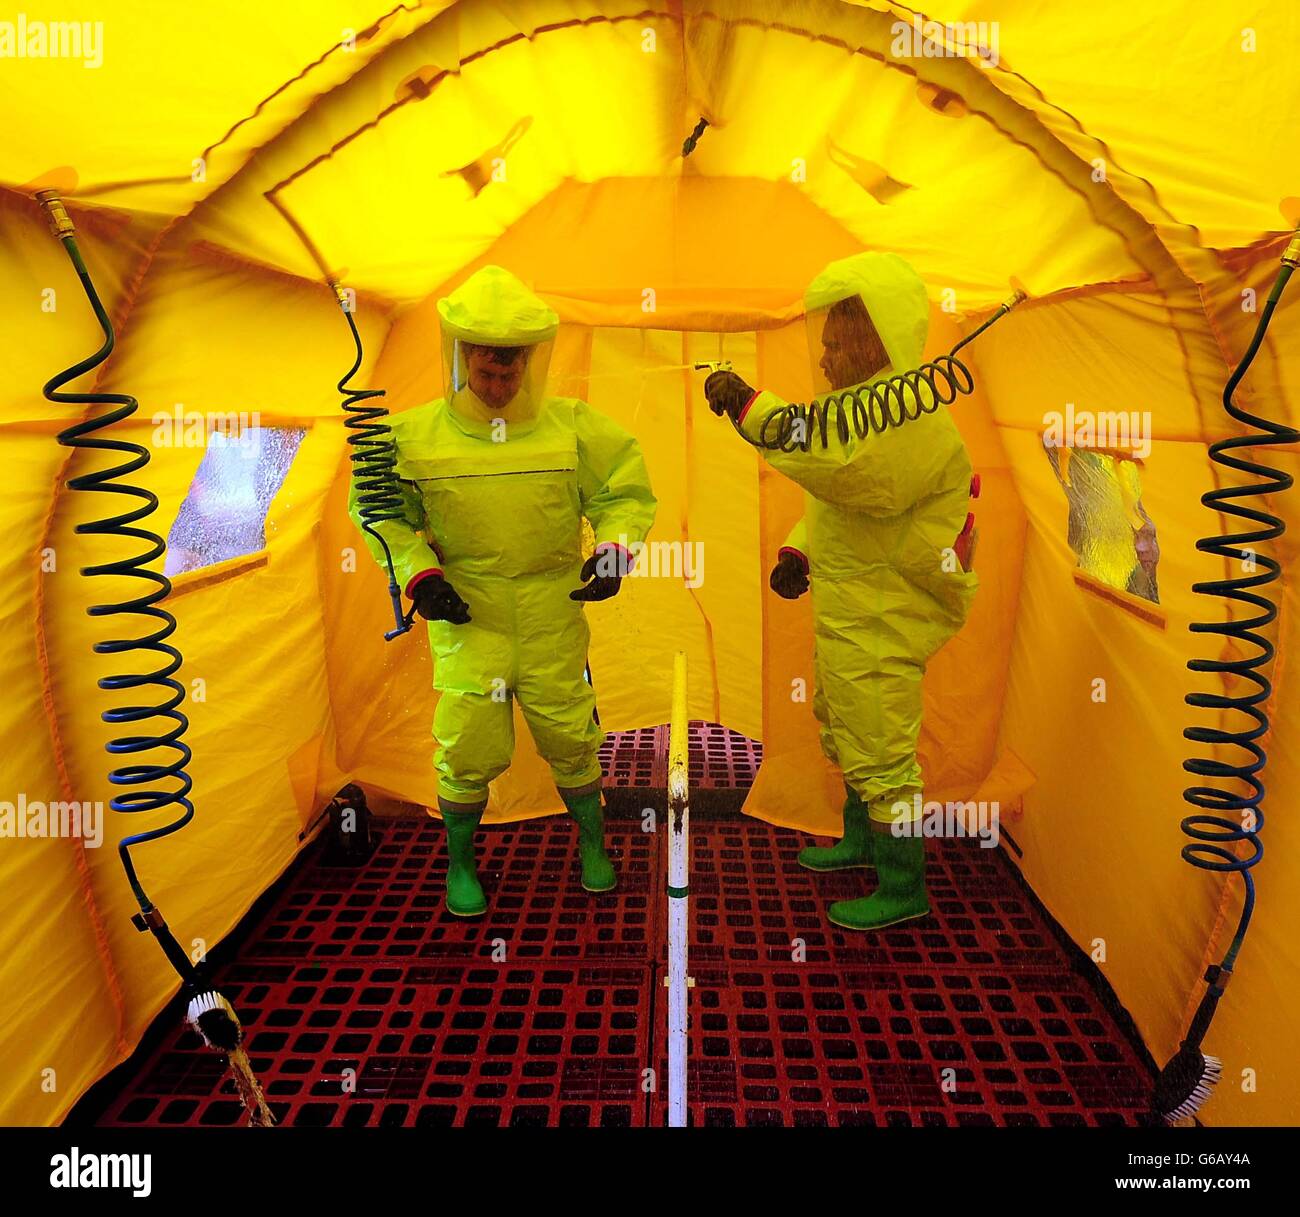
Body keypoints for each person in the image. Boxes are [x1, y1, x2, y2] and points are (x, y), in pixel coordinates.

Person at [349, 265, 656, 916]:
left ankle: (593, 847)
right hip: (469, 613)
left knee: (572, 732)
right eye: (486, 372)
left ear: (529, 363)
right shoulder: (409, 436)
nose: (498, 384)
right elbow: (380, 512)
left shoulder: (572, 427)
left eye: (509, 371)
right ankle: (461, 863)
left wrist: (612, 552)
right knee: (466, 742)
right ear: (459, 358)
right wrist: (421, 576)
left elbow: (623, 491)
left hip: (552, 609)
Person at [704, 252, 978, 931]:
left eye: (835, 342)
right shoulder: (868, 411)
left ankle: (901, 885)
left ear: (871, 338)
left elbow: (847, 472)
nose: (824, 359)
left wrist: (750, 407)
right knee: (848, 720)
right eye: (823, 342)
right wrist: (801, 548)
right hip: (855, 599)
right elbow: (838, 503)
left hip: (888, 610)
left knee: (881, 741)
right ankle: (862, 841)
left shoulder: (910, 422)